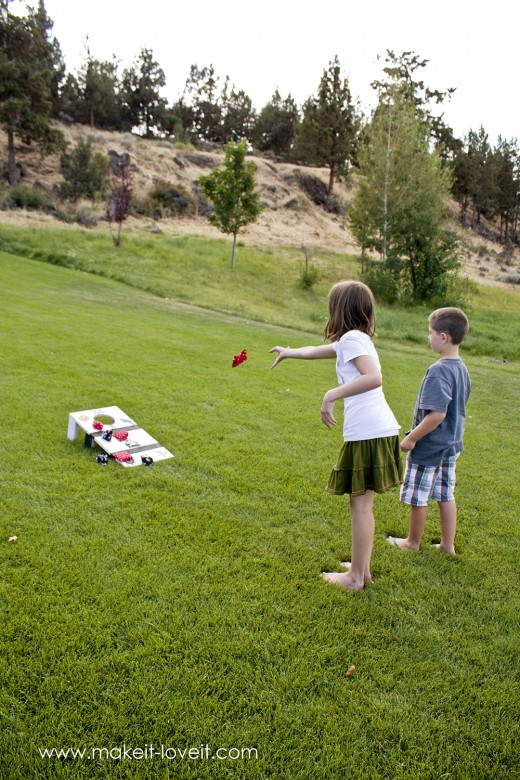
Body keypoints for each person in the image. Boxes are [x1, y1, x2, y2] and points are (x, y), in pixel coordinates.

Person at [269, 280, 402, 591]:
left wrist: (332, 394)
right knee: (363, 504)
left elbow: (373, 378)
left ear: (339, 310)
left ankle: (355, 578)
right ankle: (362, 568)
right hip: (376, 430)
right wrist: (288, 352)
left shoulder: (353, 340)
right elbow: (317, 350)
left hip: (368, 432)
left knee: (360, 506)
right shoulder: (353, 340)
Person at [387, 307, 471, 556]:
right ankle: (447, 545)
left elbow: (437, 414)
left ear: (443, 337)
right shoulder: (461, 368)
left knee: (418, 496)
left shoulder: (438, 371)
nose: (428, 337)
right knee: (445, 494)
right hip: (451, 445)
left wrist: (412, 438)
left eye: (430, 332)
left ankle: (412, 542)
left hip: (430, 446)